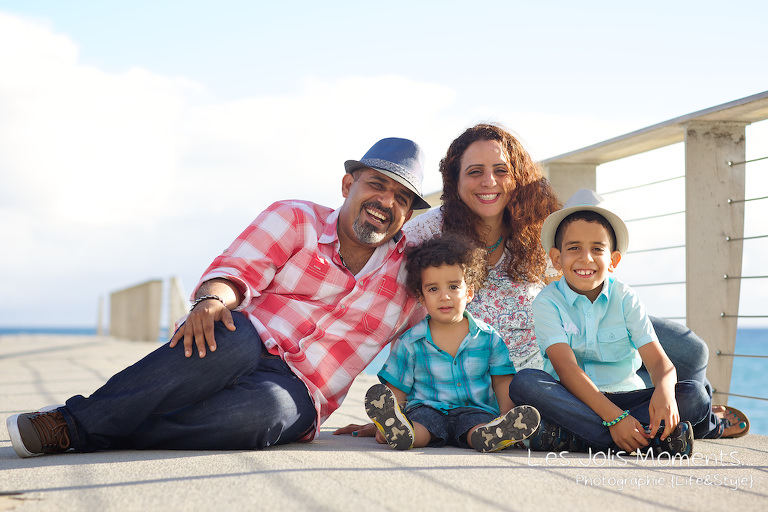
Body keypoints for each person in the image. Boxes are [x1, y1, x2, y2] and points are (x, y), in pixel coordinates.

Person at [6, 137, 433, 457]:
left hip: (302, 390)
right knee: (227, 332)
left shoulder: (412, 276)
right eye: (376, 185)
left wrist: (399, 416)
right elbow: (236, 271)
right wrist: (210, 300)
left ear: (408, 215)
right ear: (347, 184)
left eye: (401, 199)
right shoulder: (295, 218)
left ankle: (107, 424)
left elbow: (430, 344)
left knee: (264, 412)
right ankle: (68, 425)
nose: (385, 202)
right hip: (243, 342)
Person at [335, 123, 748, 441]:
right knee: (569, 389)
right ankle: (694, 422)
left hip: (565, 338)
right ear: (455, 182)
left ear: (516, 176)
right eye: (475, 172)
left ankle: (688, 413)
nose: (489, 182)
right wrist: (403, 406)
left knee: (689, 350)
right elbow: (388, 304)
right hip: (519, 378)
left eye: (500, 170)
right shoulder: (428, 233)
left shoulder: (537, 224)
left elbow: (584, 275)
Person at [509, 189, 710, 455]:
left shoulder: (626, 298)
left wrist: (664, 391)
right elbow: (566, 369)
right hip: (573, 400)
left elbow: (660, 365)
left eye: (597, 249)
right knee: (524, 383)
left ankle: (575, 438)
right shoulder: (547, 302)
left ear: (613, 260)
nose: (586, 258)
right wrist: (615, 420)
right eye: (574, 248)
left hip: (626, 399)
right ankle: (643, 439)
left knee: (696, 396)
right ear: (557, 259)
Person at [363, 235, 540, 452]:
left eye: (453, 287)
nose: (444, 296)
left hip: (474, 410)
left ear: (469, 292)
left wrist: (506, 415)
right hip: (427, 409)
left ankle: (497, 434)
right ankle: (399, 430)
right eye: (433, 289)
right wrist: (390, 417)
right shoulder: (410, 342)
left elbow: (502, 381)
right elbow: (397, 388)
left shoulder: (489, 338)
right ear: (422, 297)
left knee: (477, 427)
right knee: (421, 426)